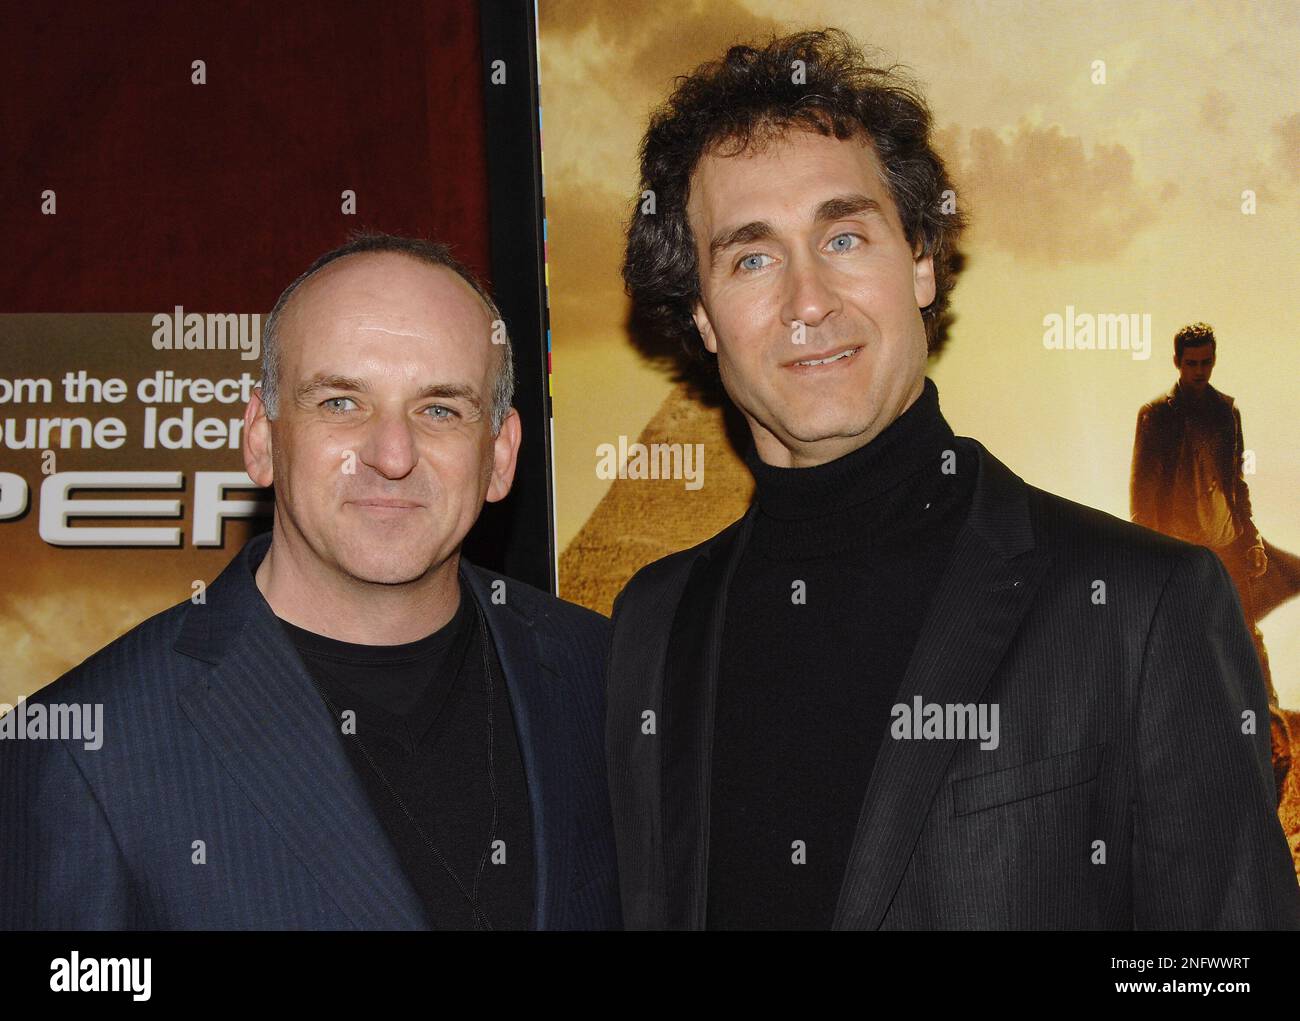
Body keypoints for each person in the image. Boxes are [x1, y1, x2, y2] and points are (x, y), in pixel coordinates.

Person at [607, 29, 1298, 929]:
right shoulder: (652, 625)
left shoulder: (1145, 604)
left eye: (845, 235)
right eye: (751, 257)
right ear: (701, 316)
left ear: (922, 262)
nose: (808, 300)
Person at [0, 232, 620, 930]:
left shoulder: (600, 676)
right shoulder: (85, 753)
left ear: (500, 455)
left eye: (439, 408)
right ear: (261, 439)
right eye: (340, 402)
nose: (392, 454)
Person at [1131, 323, 1275, 702]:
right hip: (1180, 548)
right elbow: (1142, 495)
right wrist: (1148, 554)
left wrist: (1253, 539)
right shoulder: (1157, 415)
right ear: (1177, 362)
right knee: (1179, 639)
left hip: (1226, 541)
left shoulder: (1226, 411)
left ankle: (1271, 719)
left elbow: (1237, 483)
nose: (1199, 371)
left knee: (1246, 634)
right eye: (1192, 363)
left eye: (1206, 362)